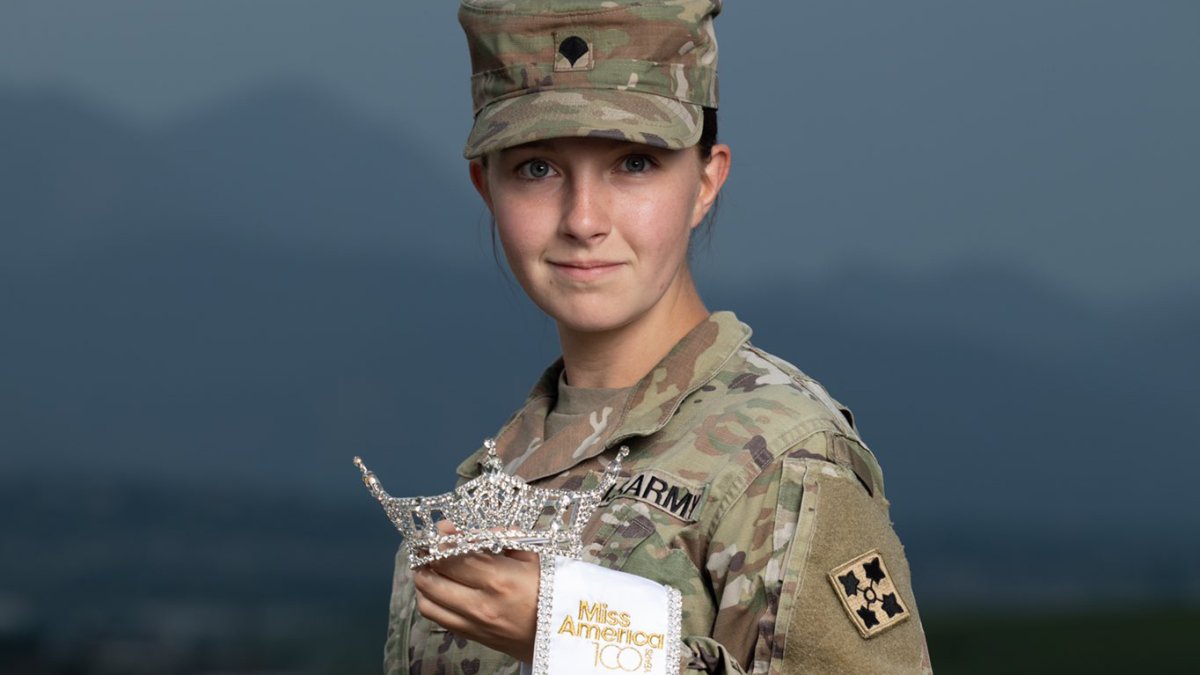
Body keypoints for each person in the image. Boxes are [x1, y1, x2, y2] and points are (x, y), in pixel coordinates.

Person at [383, 1, 932, 672]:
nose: (583, 219)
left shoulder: (781, 460)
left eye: (634, 163)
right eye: (537, 168)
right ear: (486, 186)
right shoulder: (488, 488)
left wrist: (574, 629)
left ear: (707, 179)